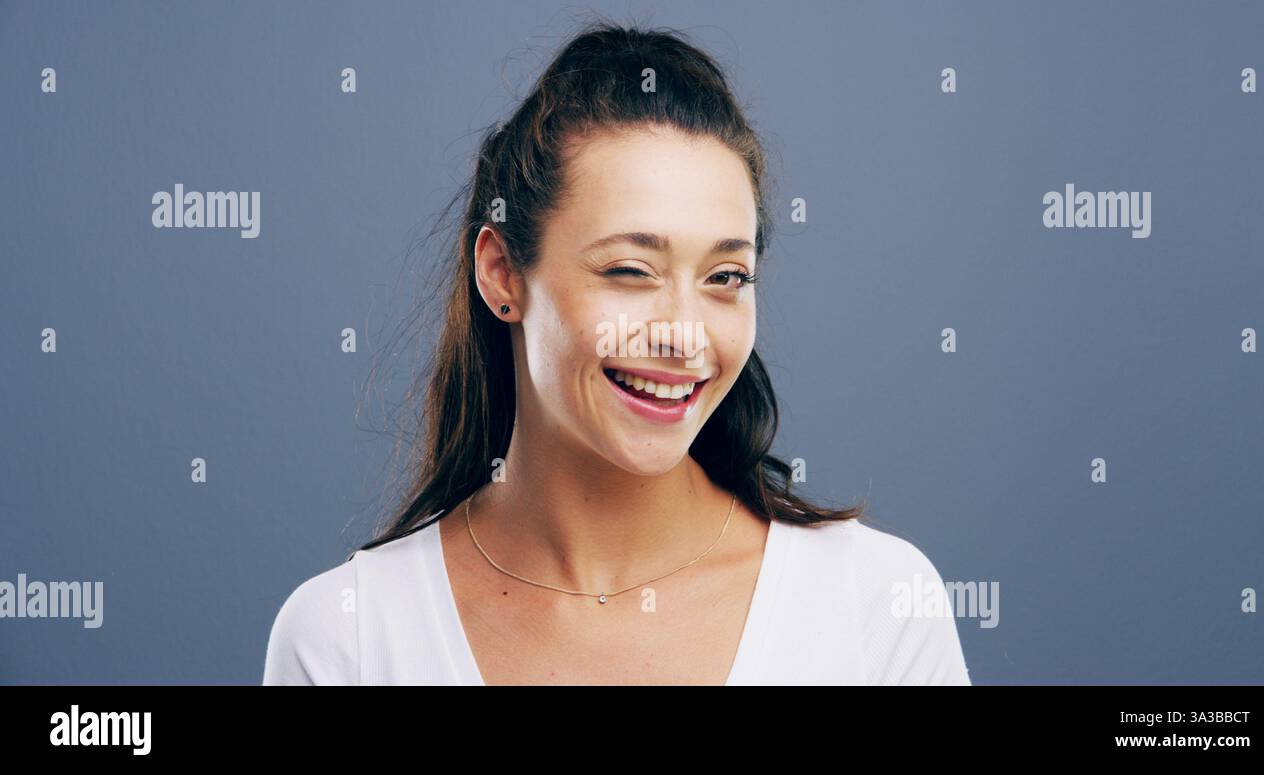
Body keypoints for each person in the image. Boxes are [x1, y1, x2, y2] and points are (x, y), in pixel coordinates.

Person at [263, 21, 971, 686]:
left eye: (725, 278)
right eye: (631, 271)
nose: (684, 333)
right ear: (503, 274)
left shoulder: (878, 606)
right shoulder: (346, 638)